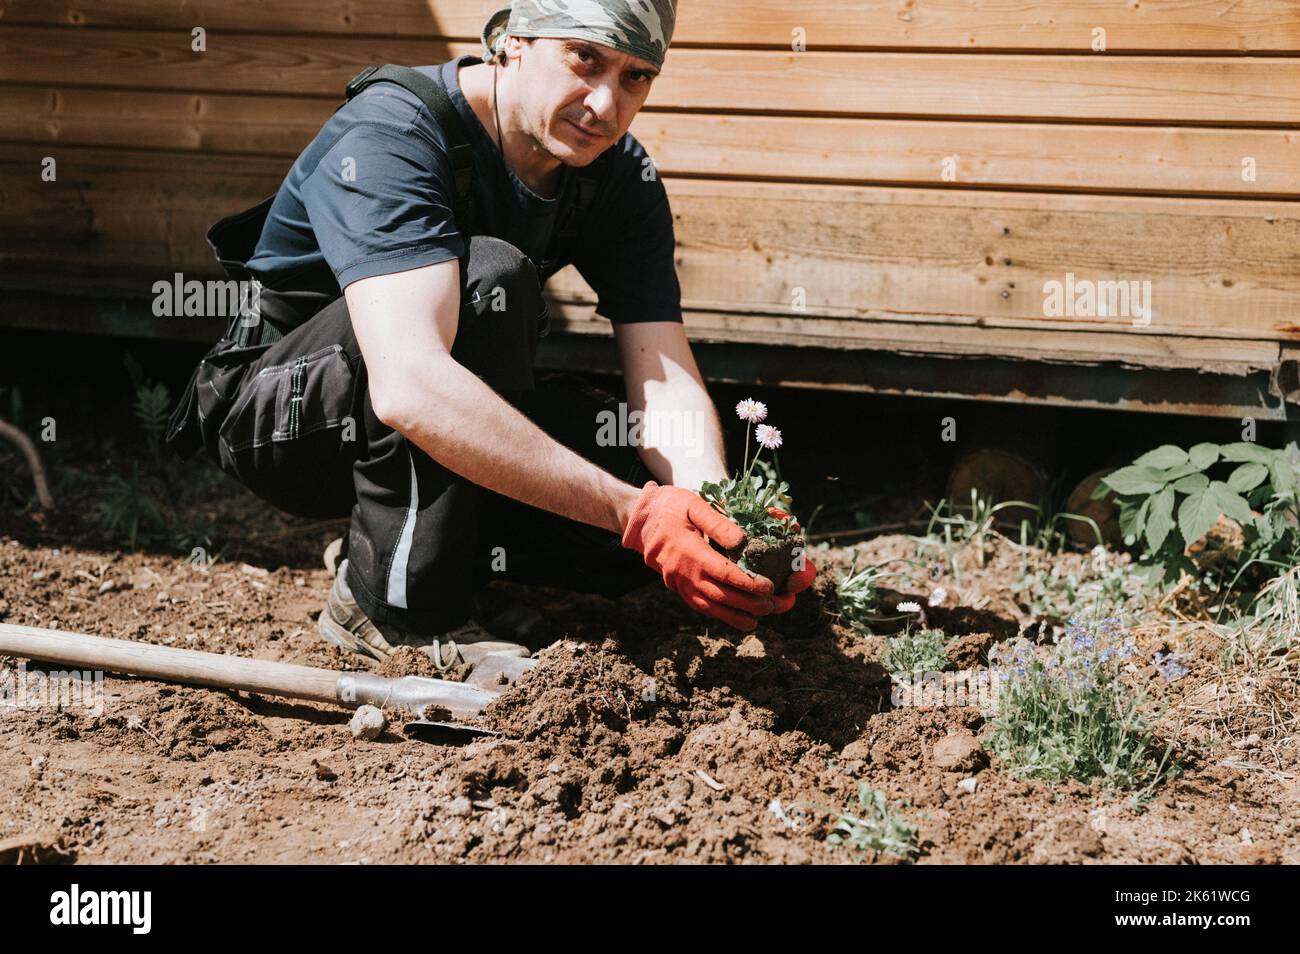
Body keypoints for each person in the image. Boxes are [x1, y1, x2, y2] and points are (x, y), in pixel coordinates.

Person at [166, 1, 815, 670]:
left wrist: (719, 518)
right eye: (585, 60)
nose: (605, 104)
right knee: (492, 282)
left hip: (403, 398)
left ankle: (442, 566)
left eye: (636, 77)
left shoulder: (616, 174)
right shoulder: (395, 131)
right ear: (511, 43)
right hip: (278, 419)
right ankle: (393, 611)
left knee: (623, 498)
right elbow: (412, 384)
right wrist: (637, 515)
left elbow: (665, 376)